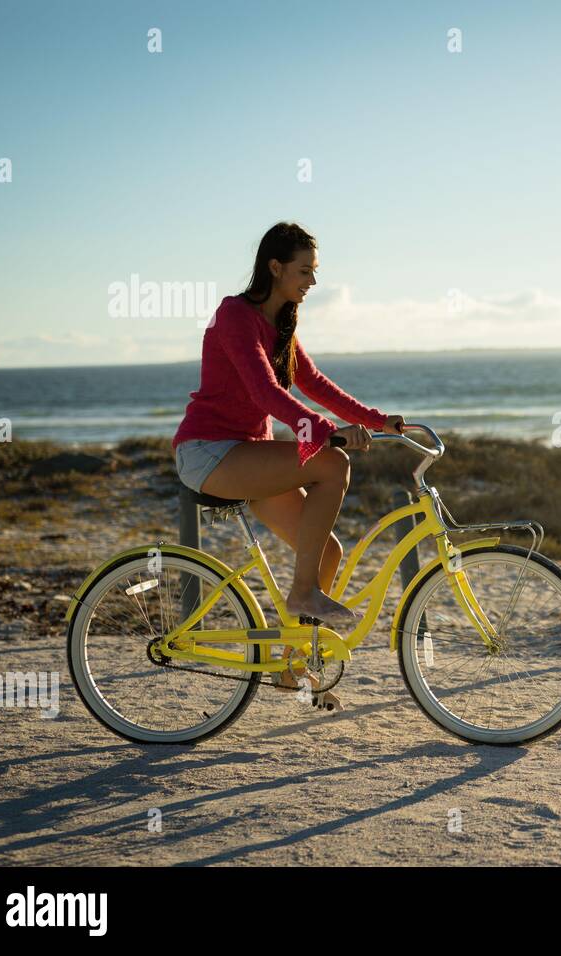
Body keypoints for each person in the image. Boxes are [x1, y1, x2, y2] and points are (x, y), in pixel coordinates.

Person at [172, 222, 403, 700]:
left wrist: (378, 421)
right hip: (209, 452)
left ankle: (292, 666)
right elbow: (265, 391)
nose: (313, 282)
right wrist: (324, 431)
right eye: (304, 271)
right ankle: (303, 595)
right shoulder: (234, 315)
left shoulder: (281, 323)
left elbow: (313, 383)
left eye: (315, 272)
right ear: (274, 267)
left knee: (329, 552)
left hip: (248, 456)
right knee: (332, 465)